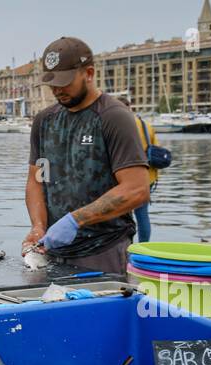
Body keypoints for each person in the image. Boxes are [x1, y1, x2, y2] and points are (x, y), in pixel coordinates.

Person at [24, 37, 151, 276]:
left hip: (103, 250)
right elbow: (36, 180)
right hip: (53, 250)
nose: (57, 90)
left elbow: (137, 189)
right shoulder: (44, 121)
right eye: (52, 83)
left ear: (89, 73)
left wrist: (76, 220)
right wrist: (38, 227)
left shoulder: (113, 117)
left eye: (65, 82)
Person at [117, 96, 161, 244]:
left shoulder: (119, 124)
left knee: (122, 216)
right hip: (147, 177)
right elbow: (156, 149)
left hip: (124, 178)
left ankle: (125, 247)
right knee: (143, 215)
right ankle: (144, 247)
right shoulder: (146, 125)